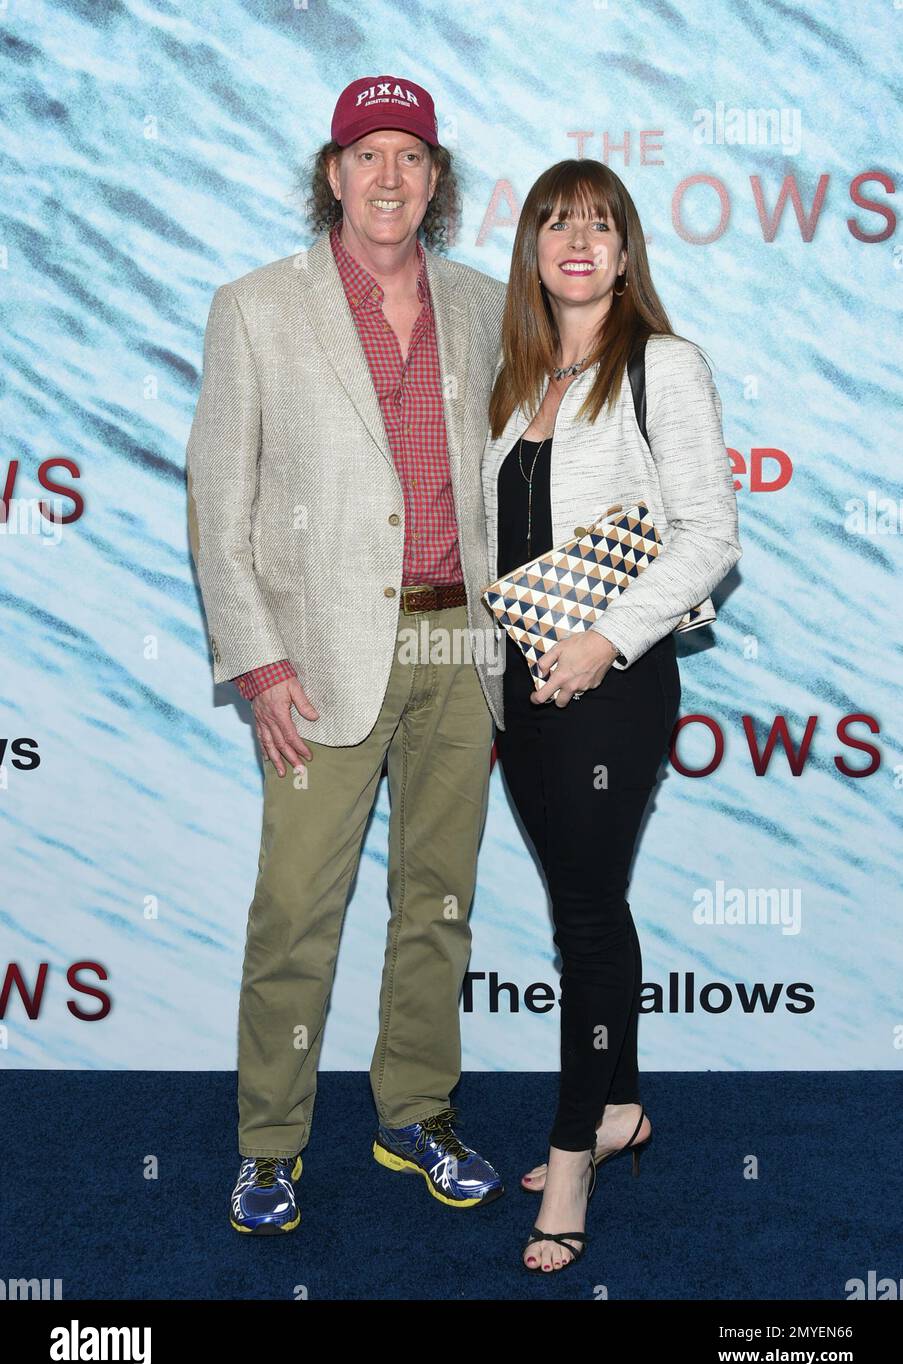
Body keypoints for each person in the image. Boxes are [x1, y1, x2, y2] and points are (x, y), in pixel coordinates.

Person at [186, 74, 508, 1233]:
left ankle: (414, 1113)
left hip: (462, 648)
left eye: (411, 158)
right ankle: (270, 1144)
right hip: (319, 660)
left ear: (436, 181)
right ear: (332, 174)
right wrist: (258, 661)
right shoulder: (258, 306)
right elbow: (217, 501)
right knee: (295, 911)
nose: (389, 178)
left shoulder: (481, 305)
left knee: (439, 904)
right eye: (366, 156)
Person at [481, 158, 742, 1272]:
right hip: (522, 688)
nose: (577, 242)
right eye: (555, 223)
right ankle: (623, 1100)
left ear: (627, 252)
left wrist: (604, 641)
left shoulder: (663, 365)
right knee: (585, 902)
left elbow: (708, 535)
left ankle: (574, 1153)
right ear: (532, 248)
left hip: (614, 685)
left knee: (584, 921)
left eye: (599, 225)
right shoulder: (514, 375)